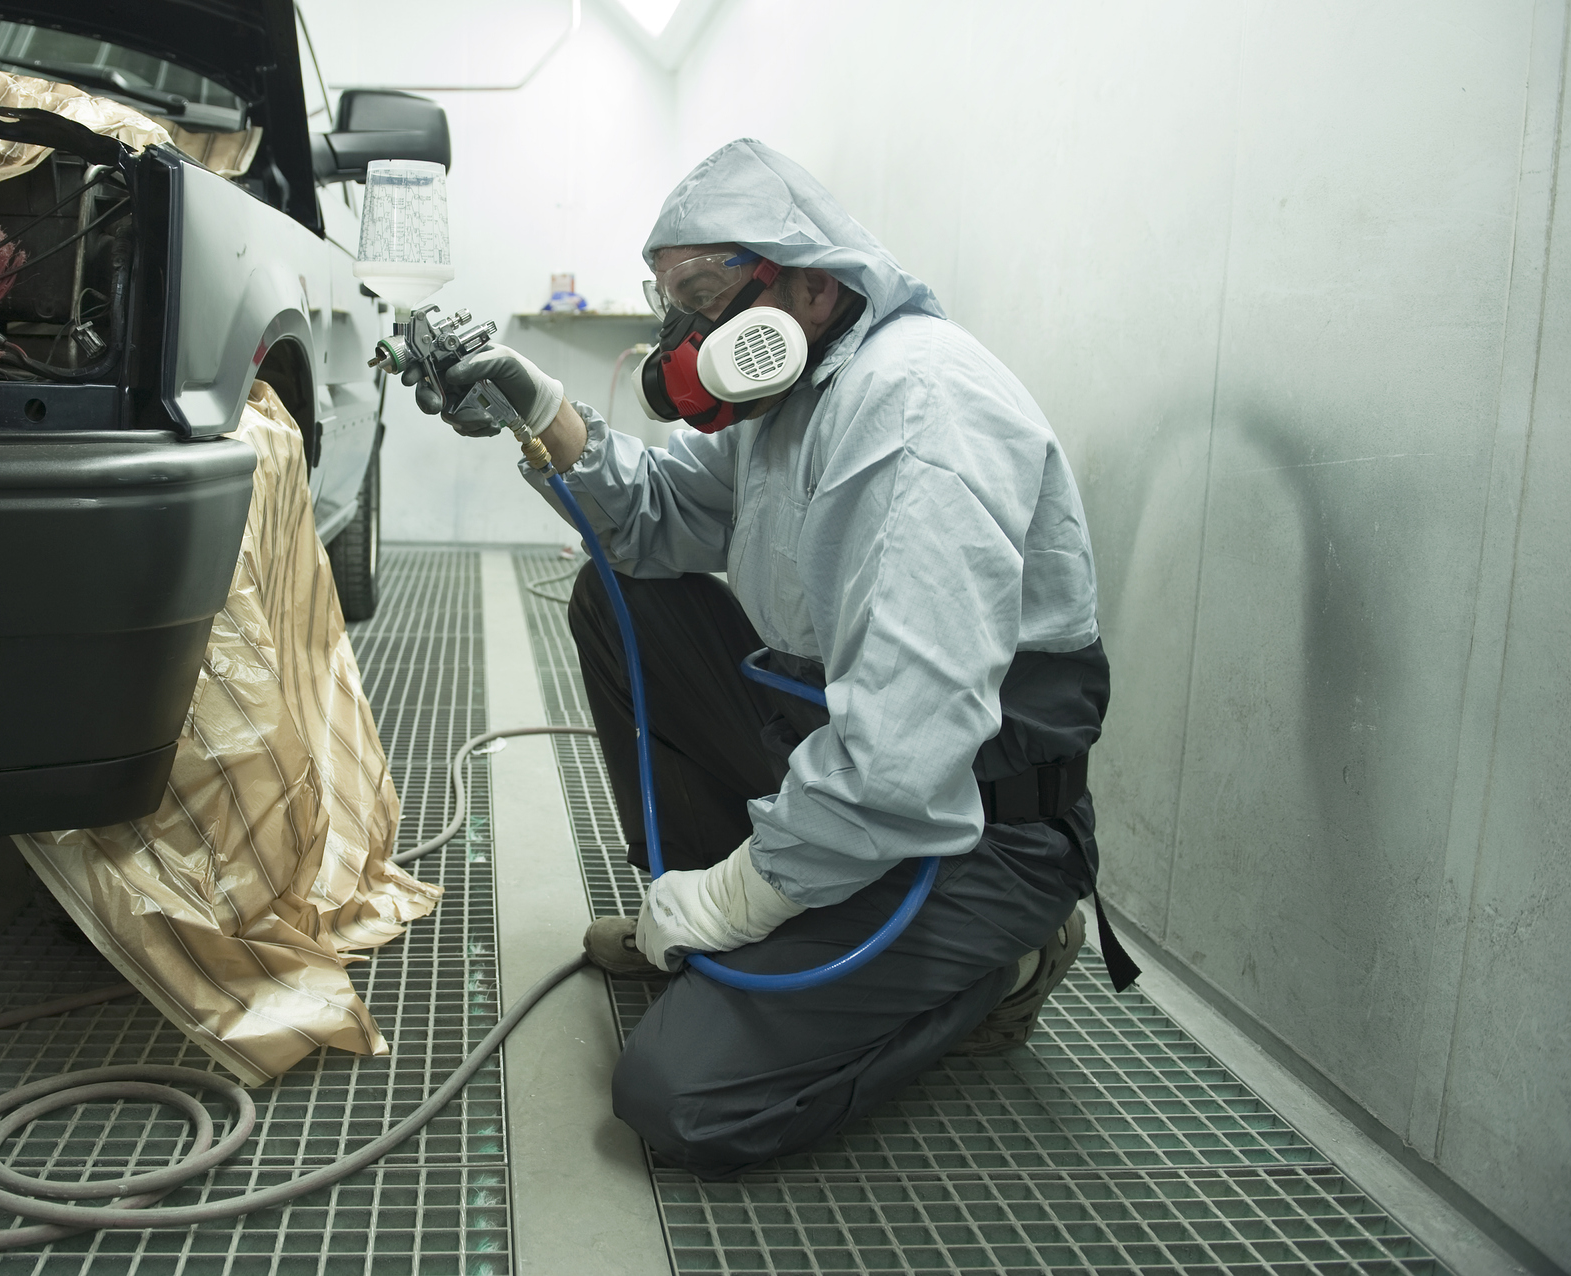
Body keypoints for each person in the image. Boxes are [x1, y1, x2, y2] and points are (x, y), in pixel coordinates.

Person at [412, 139, 1135, 1178]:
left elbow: (900, 762)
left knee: (678, 1096)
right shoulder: (787, 404)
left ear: (811, 284)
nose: (685, 340)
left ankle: (1002, 967)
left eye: (705, 299)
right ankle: (741, 907)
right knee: (624, 599)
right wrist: (537, 406)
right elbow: (652, 519)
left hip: (973, 831)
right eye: (671, 305)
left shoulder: (916, 414)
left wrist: (730, 901)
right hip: (836, 760)